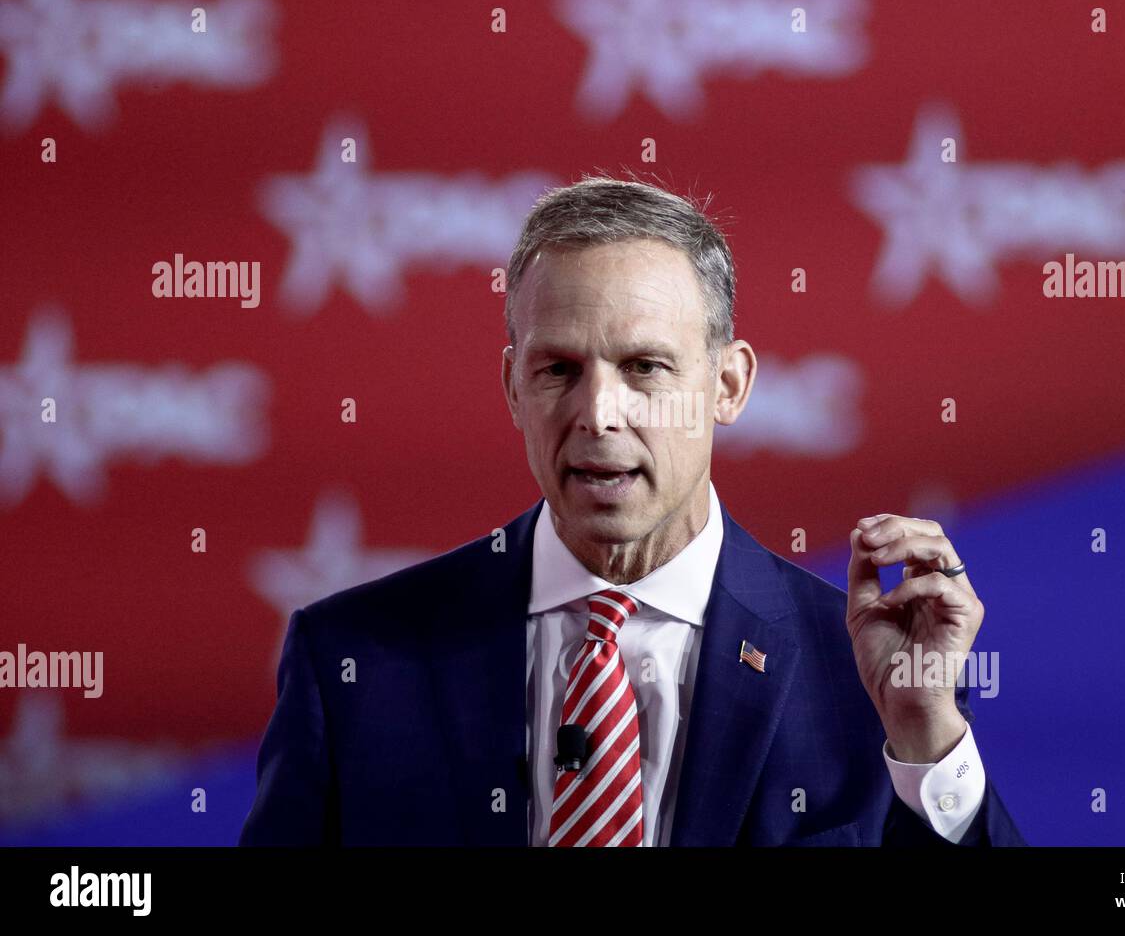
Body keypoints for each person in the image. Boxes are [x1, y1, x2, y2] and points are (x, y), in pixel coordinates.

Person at [239, 176, 1025, 846]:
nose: (598, 414)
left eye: (644, 367)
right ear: (514, 386)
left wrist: (926, 742)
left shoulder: (864, 673)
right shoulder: (353, 661)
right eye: (558, 369)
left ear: (728, 385)